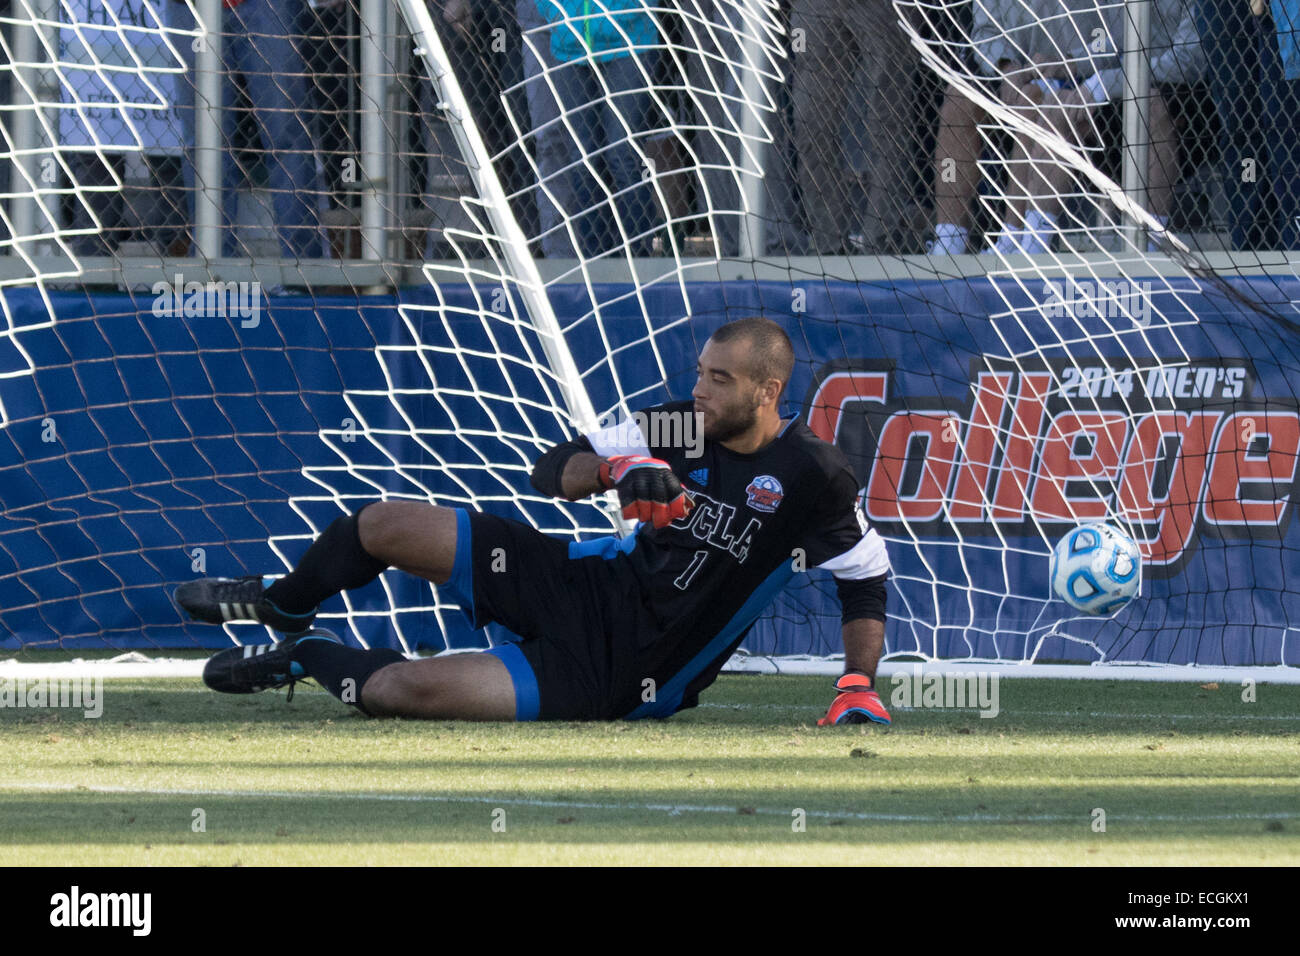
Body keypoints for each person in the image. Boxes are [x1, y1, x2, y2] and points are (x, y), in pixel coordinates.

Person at [176, 317, 893, 725]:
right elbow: (552, 470)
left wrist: (856, 683)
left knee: (408, 692)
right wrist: (615, 471)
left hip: (626, 671)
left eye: (720, 379)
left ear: (769, 391)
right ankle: (283, 603)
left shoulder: (814, 477)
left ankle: (304, 656)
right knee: (381, 524)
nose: (698, 390)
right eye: (700, 371)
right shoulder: (679, 426)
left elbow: (866, 579)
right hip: (578, 579)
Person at [927, 0, 1205, 255]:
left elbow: (1176, 57)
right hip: (1031, 76)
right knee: (958, 99)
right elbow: (985, 33)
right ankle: (952, 240)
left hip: (1140, 95)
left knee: (1046, 100)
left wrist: (1083, 72)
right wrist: (1007, 67)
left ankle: (1151, 241)